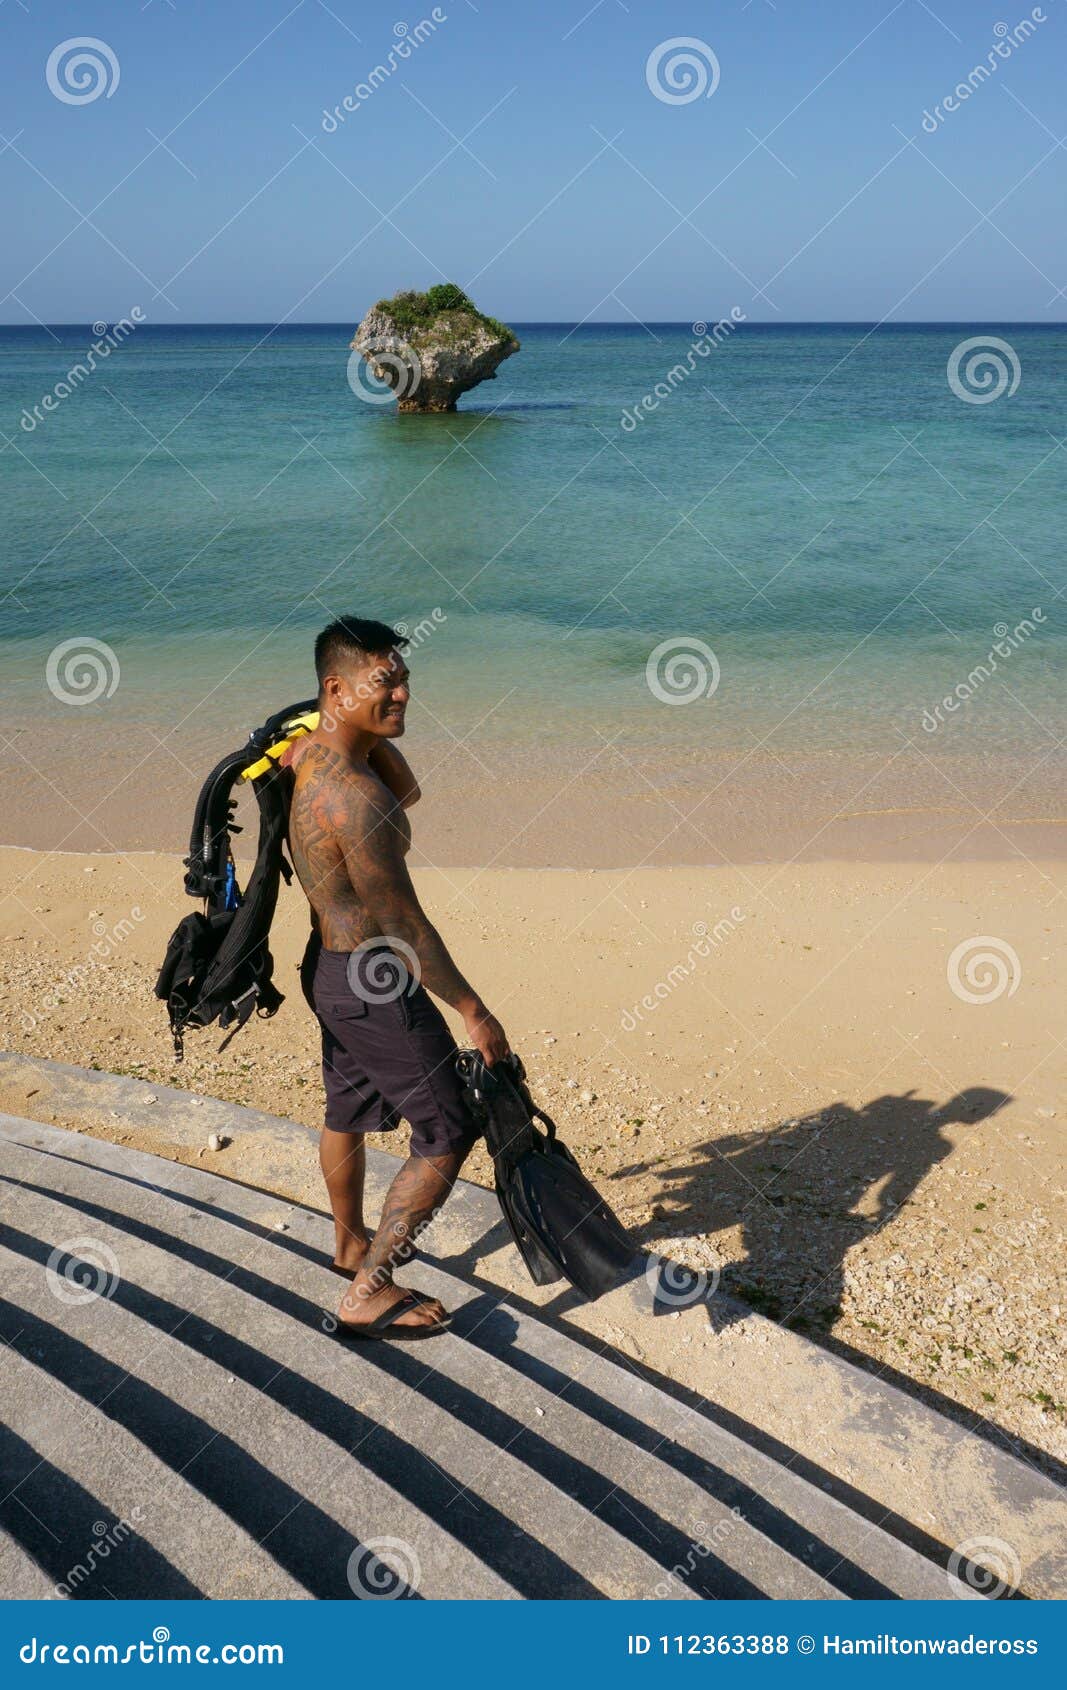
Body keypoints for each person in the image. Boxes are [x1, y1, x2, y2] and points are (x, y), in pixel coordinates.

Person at [287, 615, 510, 1339]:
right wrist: (474, 1011)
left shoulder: (317, 758)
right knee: (447, 1128)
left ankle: (348, 1242)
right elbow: (405, 927)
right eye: (386, 682)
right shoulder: (353, 797)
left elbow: (404, 800)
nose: (404, 694)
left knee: (346, 1111)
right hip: (372, 979)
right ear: (336, 687)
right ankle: (367, 1291)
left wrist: (363, 731)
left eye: (405, 678)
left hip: (329, 971)